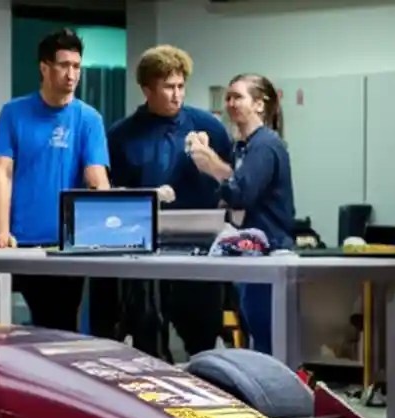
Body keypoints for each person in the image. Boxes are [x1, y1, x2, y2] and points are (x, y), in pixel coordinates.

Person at [107, 45, 233, 359]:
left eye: (180, 86)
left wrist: (210, 159)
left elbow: (232, 180)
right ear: (147, 89)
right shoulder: (122, 135)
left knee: (203, 337)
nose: (177, 95)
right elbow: (112, 193)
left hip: (200, 247)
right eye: (168, 87)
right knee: (148, 340)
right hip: (144, 251)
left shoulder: (209, 127)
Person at [0, 28, 117, 334]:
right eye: (64, 65)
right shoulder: (14, 112)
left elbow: (97, 178)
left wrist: (108, 230)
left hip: (67, 246)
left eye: (76, 66)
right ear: (44, 67)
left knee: (60, 326)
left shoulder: (89, 119)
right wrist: (3, 231)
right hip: (21, 242)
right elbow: (2, 171)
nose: (71, 74)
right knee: (16, 331)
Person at [188, 72, 296, 354]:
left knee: (267, 336)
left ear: (260, 104)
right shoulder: (242, 147)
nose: (231, 103)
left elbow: (241, 192)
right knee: (253, 332)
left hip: (270, 253)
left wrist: (210, 163)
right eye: (228, 97)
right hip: (250, 253)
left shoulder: (266, 145)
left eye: (238, 97)